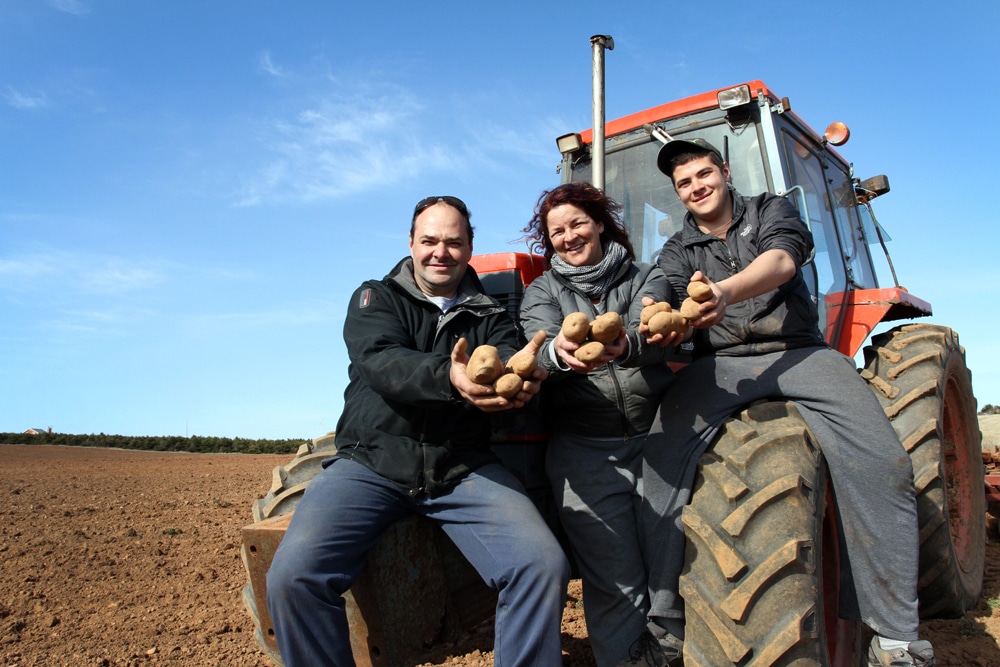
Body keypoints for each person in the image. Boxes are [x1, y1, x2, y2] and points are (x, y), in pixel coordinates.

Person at [640, 138, 934, 666]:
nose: (696, 187)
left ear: (724, 172)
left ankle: (895, 636)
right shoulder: (678, 247)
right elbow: (666, 288)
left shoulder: (770, 209)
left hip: (799, 352)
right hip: (719, 364)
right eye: (684, 183)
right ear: (677, 193)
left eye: (704, 174)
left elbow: (781, 260)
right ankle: (665, 627)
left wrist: (724, 292)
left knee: (882, 461)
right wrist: (655, 309)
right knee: (658, 468)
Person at [265, 195, 571, 667]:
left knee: (541, 565)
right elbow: (382, 360)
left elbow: (507, 362)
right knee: (293, 578)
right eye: (429, 240)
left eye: (454, 242)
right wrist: (451, 376)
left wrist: (518, 384)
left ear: (469, 248)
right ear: (410, 243)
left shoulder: (491, 315)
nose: (440, 252)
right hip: (373, 462)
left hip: (460, 467)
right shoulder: (375, 298)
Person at [517, 182, 676, 667]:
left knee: (673, 571)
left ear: (600, 223)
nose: (569, 237)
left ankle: (678, 653)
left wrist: (627, 345)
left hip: (660, 442)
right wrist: (557, 354)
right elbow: (539, 344)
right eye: (557, 231)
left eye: (577, 224)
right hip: (585, 452)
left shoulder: (647, 275)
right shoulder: (542, 290)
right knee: (614, 581)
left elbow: (656, 328)